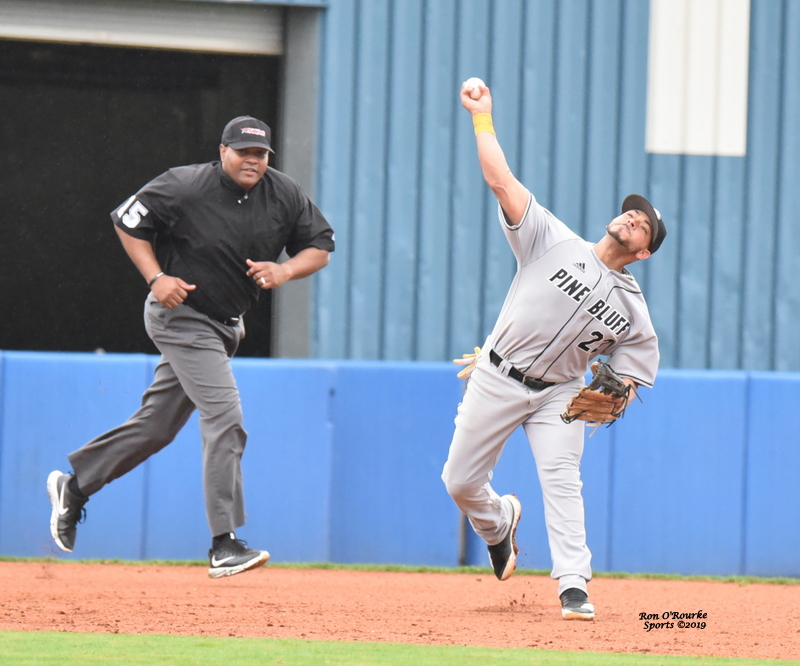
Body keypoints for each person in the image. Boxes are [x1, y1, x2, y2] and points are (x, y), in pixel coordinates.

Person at [47, 115, 335, 578]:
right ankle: (224, 543)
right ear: (223, 151)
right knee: (226, 416)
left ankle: (75, 485)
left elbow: (320, 246)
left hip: (226, 326)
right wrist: (156, 277)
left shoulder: (284, 193)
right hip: (181, 317)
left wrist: (283, 271)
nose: (252, 161)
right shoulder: (185, 185)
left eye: (260, 154)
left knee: (157, 427)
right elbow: (128, 220)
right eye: (244, 151)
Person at [442, 82, 665, 620]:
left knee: (563, 480)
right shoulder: (552, 239)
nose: (633, 219)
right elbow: (500, 180)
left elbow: (635, 370)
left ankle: (574, 585)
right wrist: (483, 117)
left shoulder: (634, 309)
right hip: (497, 374)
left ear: (644, 252)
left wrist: (622, 390)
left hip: (559, 396)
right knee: (460, 482)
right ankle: (499, 522)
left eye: (644, 226)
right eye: (631, 213)